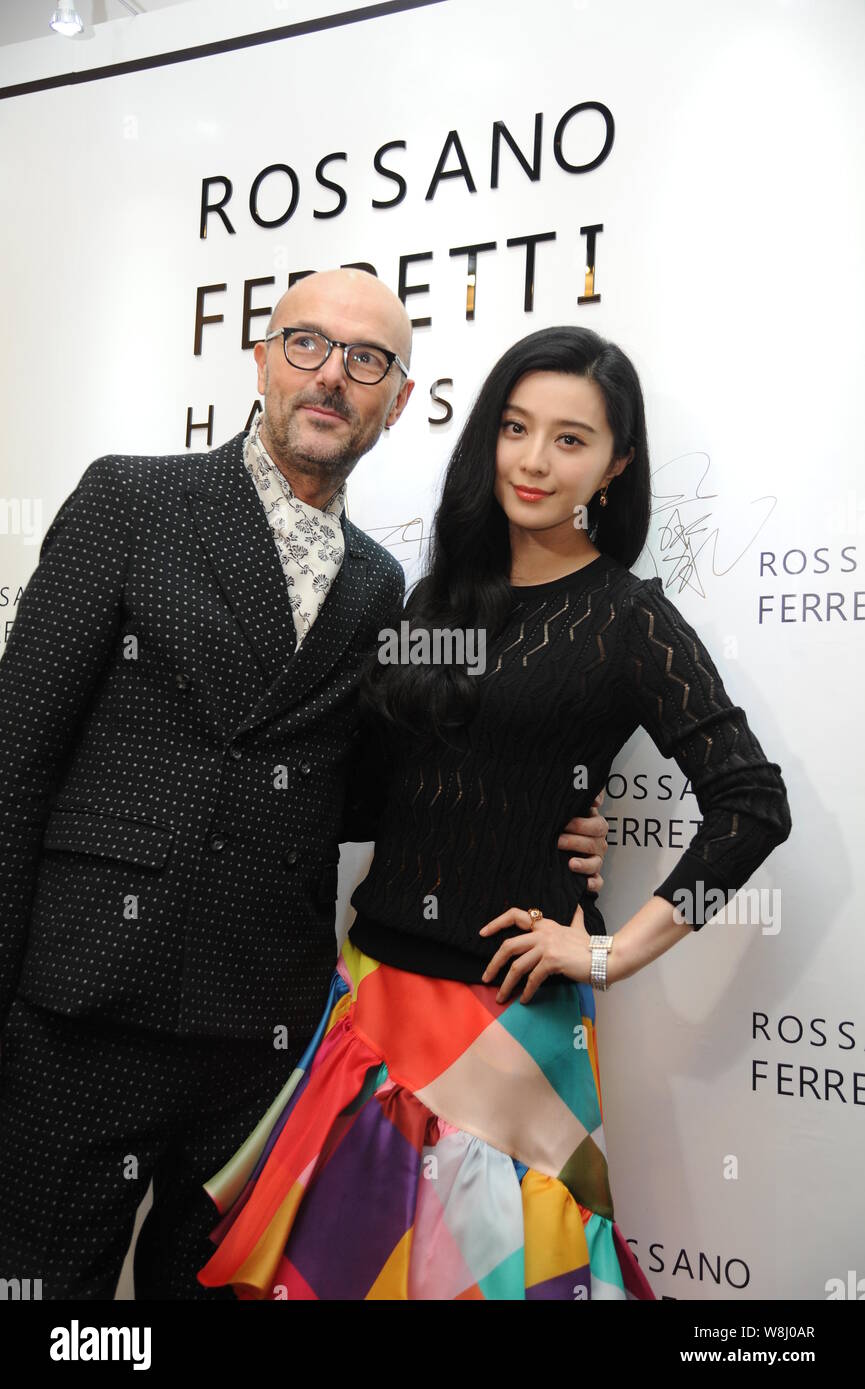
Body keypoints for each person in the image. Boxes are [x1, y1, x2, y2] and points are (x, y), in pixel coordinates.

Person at [0, 271, 610, 1301]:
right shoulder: (132, 500)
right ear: (262, 360)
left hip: (263, 1031)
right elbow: (16, 758)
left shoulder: (378, 583)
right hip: (85, 1008)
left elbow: (366, 796)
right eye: (307, 344)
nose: (332, 375)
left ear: (398, 401)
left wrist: (540, 814)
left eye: (367, 361)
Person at [196, 324, 793, 1302]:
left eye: (570, 438)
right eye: (515, 428)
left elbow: (751, 803)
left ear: (617, 465)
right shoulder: (437, 603)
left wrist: (608, 953)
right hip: (372, 995)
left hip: (509, 1017)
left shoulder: (626, 619)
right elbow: (383, 790)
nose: (533, 460)